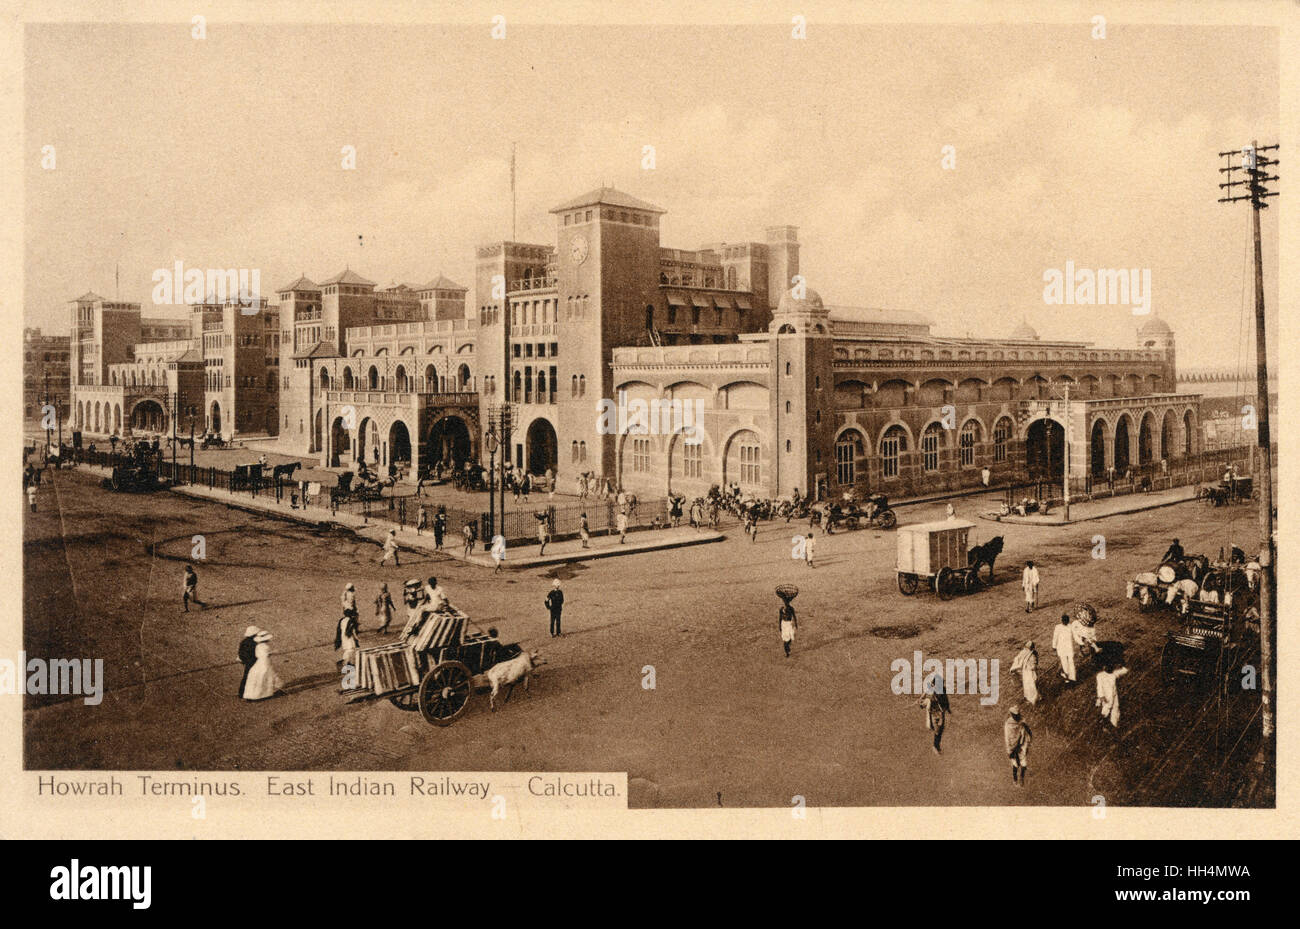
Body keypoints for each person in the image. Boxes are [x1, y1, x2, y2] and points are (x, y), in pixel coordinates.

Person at [242, 628, 282, 701]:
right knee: (266, 675)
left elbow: (258, 655)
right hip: (264, 662)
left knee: (257, 677)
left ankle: (253, 695)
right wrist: (273, 652)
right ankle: (264, 693)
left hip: (258, 662)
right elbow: (265, 655)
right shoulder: (265, 646)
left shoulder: (258, 646)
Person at [919, 670, 951, 754]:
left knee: (941, 728)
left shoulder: (942, 691)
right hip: (934, 712)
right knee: (937, 729)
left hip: (940, 712)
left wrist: (947, 708)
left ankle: (937, 745)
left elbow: (945, 699)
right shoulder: (932, 690)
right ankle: (935, 746)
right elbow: (923, 698)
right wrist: (923, 698)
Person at [1004, 707, 1032, 787]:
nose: (1016, 716)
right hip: (1012, 747)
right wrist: (1009, 750)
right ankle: (1015, 780)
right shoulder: (1008, 724)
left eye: (1017, 714)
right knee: (1015, 764)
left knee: (1024, 763)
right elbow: (1007, 737)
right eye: (1015, 714)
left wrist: (1027, 739)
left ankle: (1021, 778)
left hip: (1021, 745)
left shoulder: (1022, 721)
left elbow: (1026, 731)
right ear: (1012, 714)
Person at [1095, 664, 1130, 729]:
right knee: (1108, 706)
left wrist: (1125, 669)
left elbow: (1121, 672)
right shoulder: (1100, 676)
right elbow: (1099, 687)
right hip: (1106, 696)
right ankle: (1103, 719)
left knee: (1116, 707)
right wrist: (1101, 696)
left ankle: (1114, 724)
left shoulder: (1113, 675)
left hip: (1113, 694)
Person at [1010, 641, 1039, 705]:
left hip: (1030, 671)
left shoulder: (1033, 654)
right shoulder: (1024, 652)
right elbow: (1018, 659)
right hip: (1026, 671)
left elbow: (1034, 664)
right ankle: (1030, 698)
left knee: (1031, 685)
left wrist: (1032, 667)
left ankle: (1033, 699)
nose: (1026, 649)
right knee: (1027, 685)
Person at [1052, 613, 1077, 683]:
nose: (1065, 622)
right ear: (1062, 621)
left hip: (1069, 648)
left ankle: (1072, 677)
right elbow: (1055, 637)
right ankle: (1067, 677)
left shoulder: (1071, 626)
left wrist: (1081, 642)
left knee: (1071, 662)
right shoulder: (1058, 627)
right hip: (1061, 648)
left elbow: (1075, 636)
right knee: (1064, 662)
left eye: (1066, 621)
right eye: (1064, 621)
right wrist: (1054, 646)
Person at [237, 626, 259, 697]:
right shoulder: (254, 643)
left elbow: (240, 653)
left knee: (246, 676)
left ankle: (241, 692)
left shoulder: (243, 642)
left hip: (246, 661)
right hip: (252, 662)